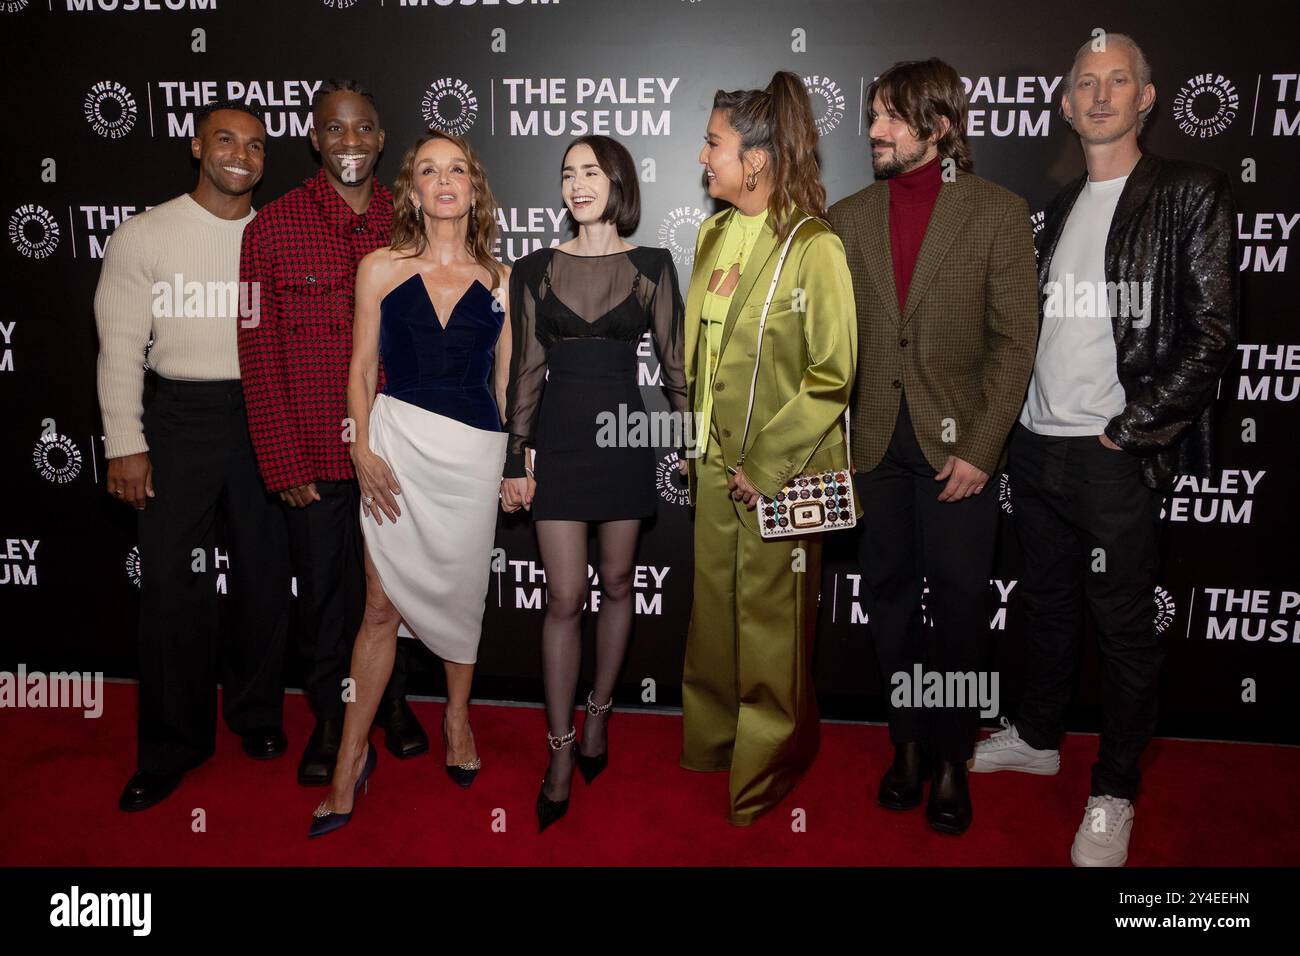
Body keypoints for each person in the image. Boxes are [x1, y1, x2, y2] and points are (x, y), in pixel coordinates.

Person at [971, 33, 1238, 866]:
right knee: (1047, 603)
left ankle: (1115, 789)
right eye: (1085, 83)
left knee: (1123, 629)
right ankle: (1041, 736)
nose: (1100, 94)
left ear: (1148, 97)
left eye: (1118, 80)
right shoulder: (1050, 212)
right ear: (1064, 104)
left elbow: (1214, 334)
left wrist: (1129, 431)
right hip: (1037, 445)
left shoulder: (1187, 194)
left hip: (1112, 451)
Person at [828, 58, 1039, 835]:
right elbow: (829, 347)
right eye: (874, 114)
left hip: (961, 451)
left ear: (939, 126)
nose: (873, 130)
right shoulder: (847, 217)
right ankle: (907, 744)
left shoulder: (996, 213)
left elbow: (1014, 345)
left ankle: (954, 757)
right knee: (887, 605)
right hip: (875, 447)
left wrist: (983, 448)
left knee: (956, 610)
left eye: (890, 117)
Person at [308, 130, 511, 837]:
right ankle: (350, 759)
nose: (444, 180)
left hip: (471, 454)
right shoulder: (379, 267)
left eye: (457, 168)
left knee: (462, 597)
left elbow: (508, 384)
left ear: (473, 186)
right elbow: (361, 368)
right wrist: (360, 446)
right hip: (396, 451)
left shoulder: (502, 278)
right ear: (412, 189)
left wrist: (514, 464)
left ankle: (456, 720)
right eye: (429, 169)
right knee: (378, 608)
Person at [96, 101, 292, 812]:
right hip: (179, 417)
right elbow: (119, 347)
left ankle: (258, 715)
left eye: (257, 145)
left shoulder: (276, 236)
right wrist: (126, 440)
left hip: (265, 414)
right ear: (196, 145)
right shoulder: (144, 234)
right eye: (227, 139)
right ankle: (171, 747)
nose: (243, 154)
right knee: (174, 590)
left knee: (266, 576)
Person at [680, 71, 857, 827]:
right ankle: (714, 743)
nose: (703, 156)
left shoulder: (814, 247)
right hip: (714, 467)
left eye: (714, 143)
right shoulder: (713, 234)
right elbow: (698, 358)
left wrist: (767, 464)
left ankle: (767, 768)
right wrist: (700, 451)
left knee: (773, 624)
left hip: (777, 476)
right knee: (714, 615)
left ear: (755, 158)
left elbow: (832, 373)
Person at [238, 80, 426, 789]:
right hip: (314, 454)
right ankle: (328, 718)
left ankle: (396, 708)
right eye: (335, 130)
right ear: (314, 139)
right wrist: (281, 459)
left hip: (396, 453)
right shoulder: (271, 229)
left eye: (364, 129)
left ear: (381, 141)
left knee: (395, 592)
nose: (350, 141)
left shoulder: (409, 225)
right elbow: (256, 351)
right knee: (322, 597)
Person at [501, 135, 688, 833]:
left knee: (615, 584)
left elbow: (674, 367)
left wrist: (689, 442)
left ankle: (600, 713)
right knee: (563, 595)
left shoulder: (652, 266)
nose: (578, 184)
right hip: (560, 438)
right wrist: (517, 456)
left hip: (625, 442)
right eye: (568, 174)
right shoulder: (535, 268)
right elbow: (525, 368)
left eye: (592, 172)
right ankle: (558, 751)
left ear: (618, 183)